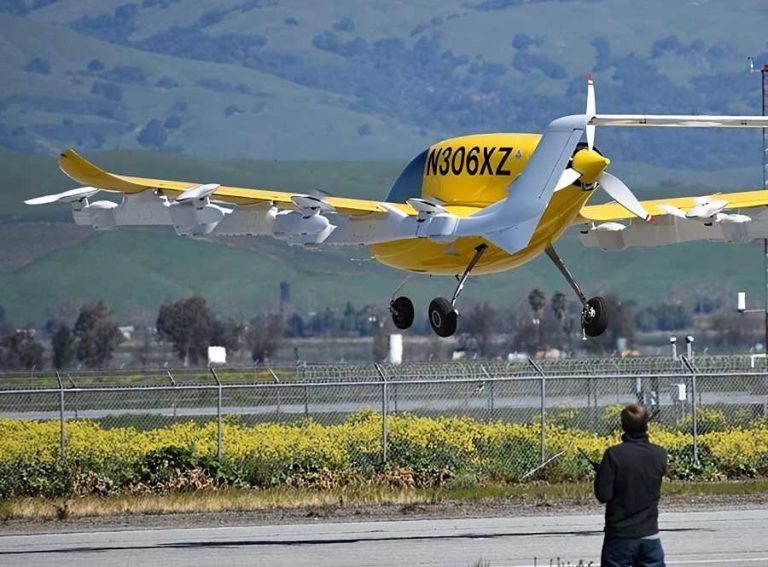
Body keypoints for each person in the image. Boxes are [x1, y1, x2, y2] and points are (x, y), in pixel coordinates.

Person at [594, 403, 667, 567]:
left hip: (620, 534)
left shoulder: (614, 454)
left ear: (623, 426)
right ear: (647, 425)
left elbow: (603, 495)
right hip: (649, 532)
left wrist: (602, 473)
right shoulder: (659, 454)